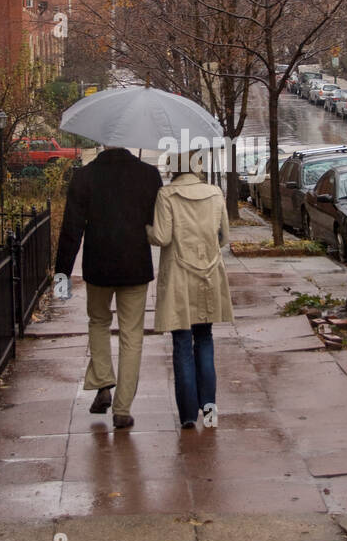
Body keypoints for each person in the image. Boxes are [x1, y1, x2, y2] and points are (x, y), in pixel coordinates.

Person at [55, 144, 162, 429]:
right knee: (132, 335)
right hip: (135, 265)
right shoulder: (149, 175)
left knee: (99, 322)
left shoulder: (85, 176)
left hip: (98, 265)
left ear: (102, 143)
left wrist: (61, 276)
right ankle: (122, 409)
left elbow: (71, 228)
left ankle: (103, 382)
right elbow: (157, 222)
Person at [146, 154, 234, 429]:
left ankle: (186, 416)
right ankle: (209, 410)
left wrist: (145, 227)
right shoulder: (215, 193)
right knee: (205, 339)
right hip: (208, 274)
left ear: (173, 168)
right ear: (198, 167)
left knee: (182, 342)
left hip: (178, 277)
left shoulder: (166, 195)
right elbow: (224, 238)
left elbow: (162, 237)